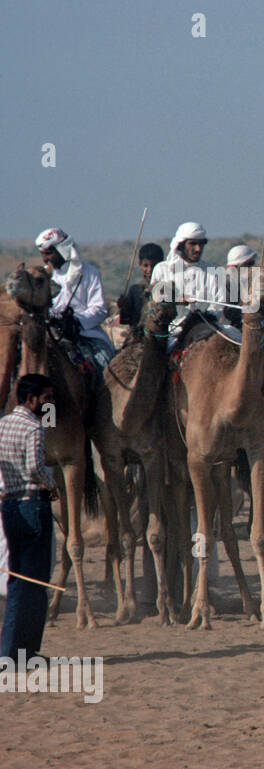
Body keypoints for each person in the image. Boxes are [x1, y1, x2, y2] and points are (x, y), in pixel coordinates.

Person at [0, 374, 58, 661]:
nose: (50, 404)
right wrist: (53, 484)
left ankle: (14, 651)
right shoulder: (35, 427)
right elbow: (36, 468)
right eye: (46, 398)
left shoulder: (3, 424)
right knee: (35, 583)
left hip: (9, 505)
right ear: (31, 398)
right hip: (33, 504)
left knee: (17, 580)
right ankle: (20, 652)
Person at [34, 227, 115, 372]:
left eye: (48, 253)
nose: (45, 259)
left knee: (103, 366)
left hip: (85, 335)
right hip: (50, 334)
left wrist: (76, 322)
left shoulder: (90, 273)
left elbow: (100, 309)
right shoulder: (43, 277)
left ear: (62, 249)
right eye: (42, 254)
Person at [115, 242, 164, 330]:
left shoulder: (166, 290)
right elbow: (125, 320)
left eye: (154, 265)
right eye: (146, 265)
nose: (150, 269)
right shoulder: (135, 290)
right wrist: (123, 307)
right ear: (139, 264)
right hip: (139, 336)